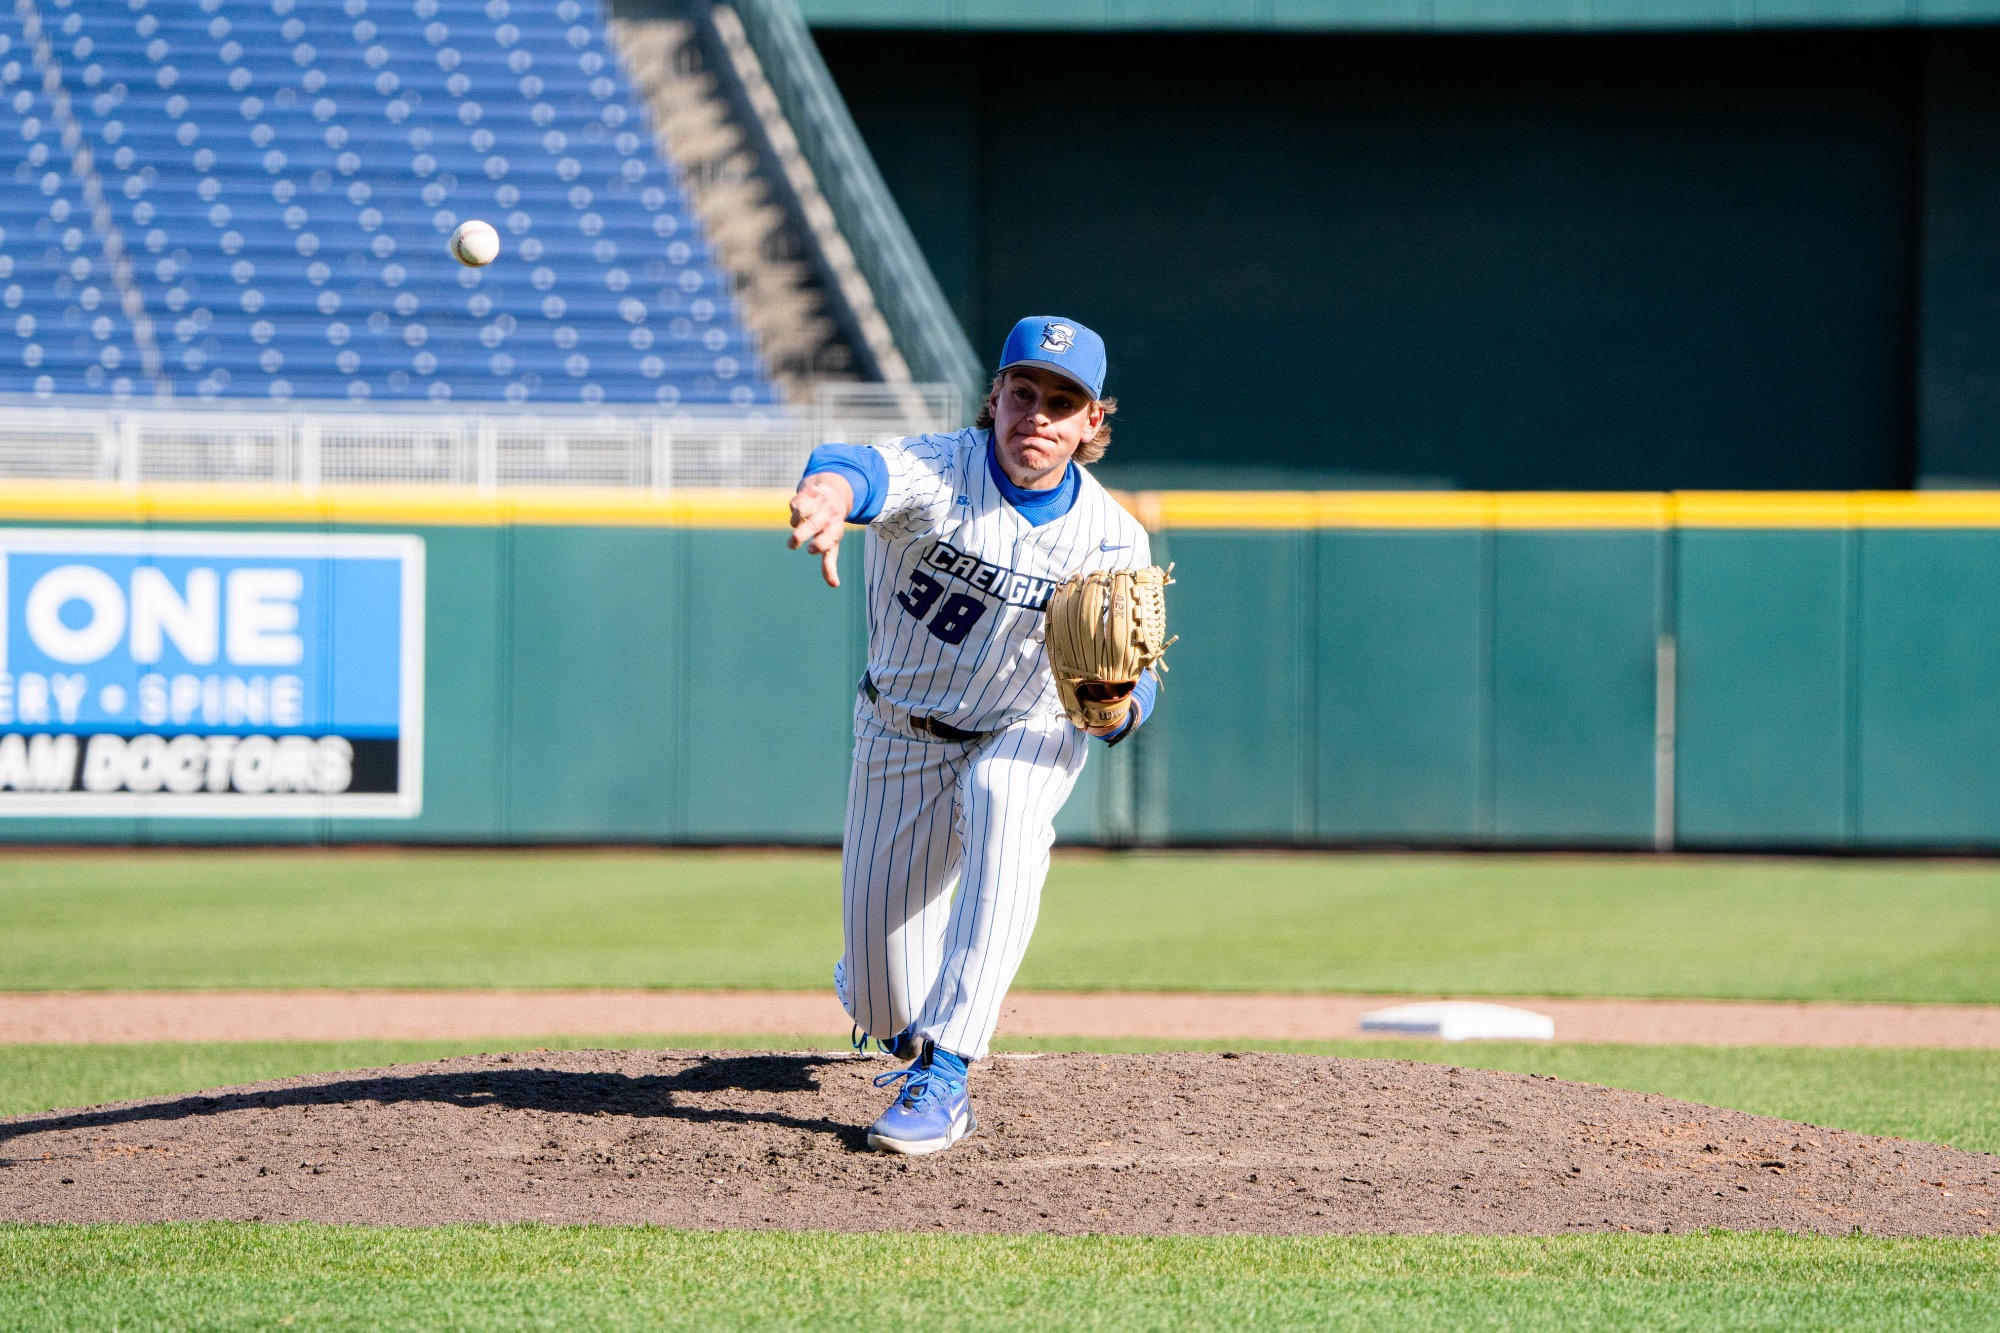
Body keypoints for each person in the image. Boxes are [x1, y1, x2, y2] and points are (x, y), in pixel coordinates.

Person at [786, 315, 1159, 1155]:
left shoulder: (1112, 537)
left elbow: (1140, 683)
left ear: (1091, 422)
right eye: (1023, 392)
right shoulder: (939, 471)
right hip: (900, 733)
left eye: (1063, 402)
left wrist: (1118, 705)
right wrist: (829, 496)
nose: (1038, 413)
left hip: (1025, 725)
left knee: (1004, 799)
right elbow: (858, 470)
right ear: (994, 396)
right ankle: (888, 1007)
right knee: (882, 1002)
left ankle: (946, 1075)